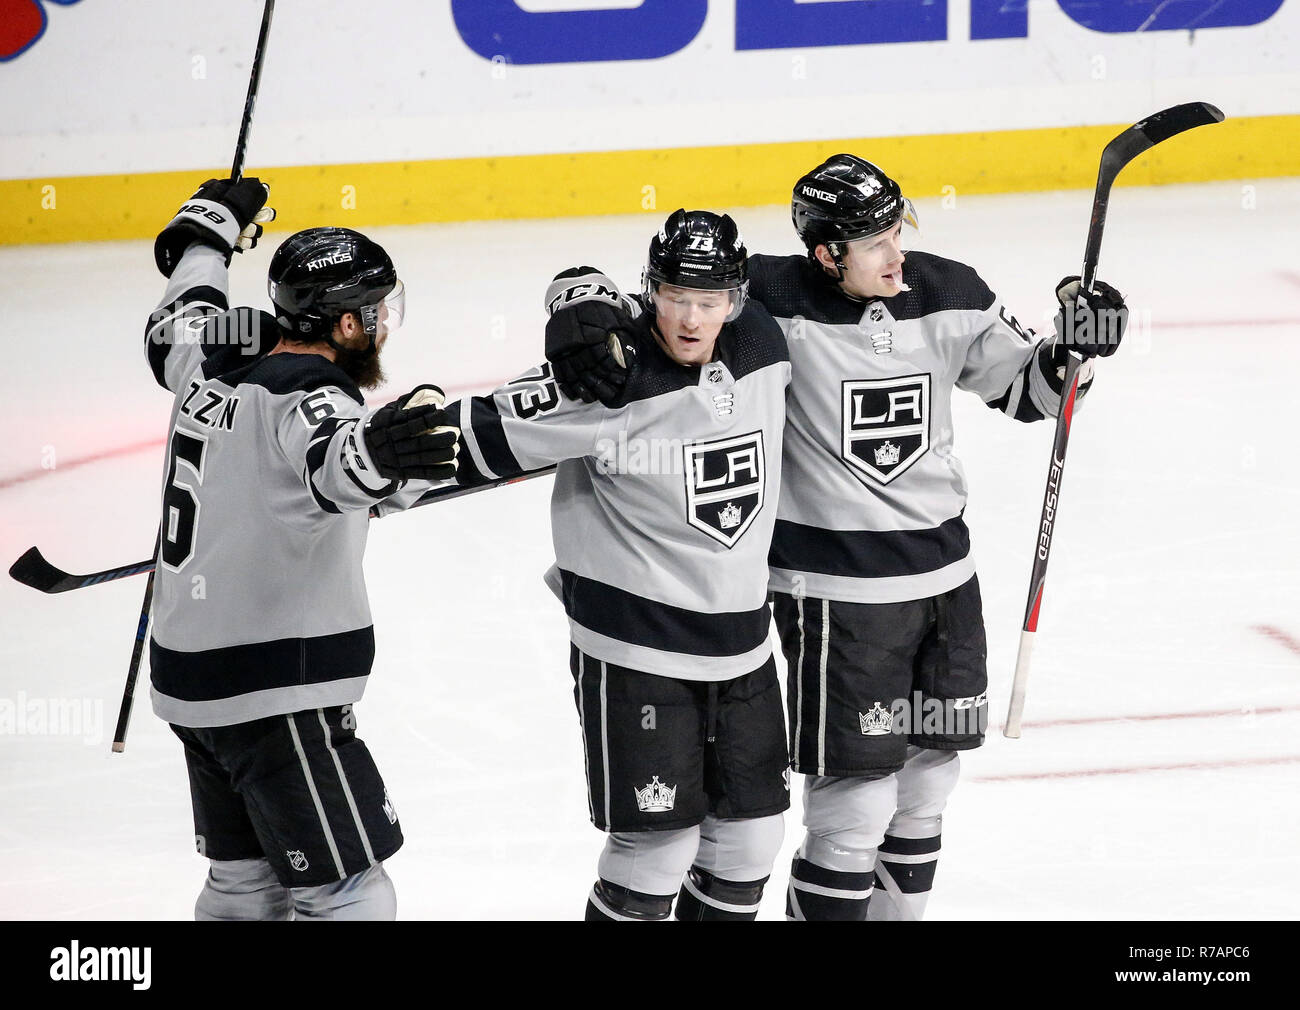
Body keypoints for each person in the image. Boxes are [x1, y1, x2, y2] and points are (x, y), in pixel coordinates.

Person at [548, 157, 1127, 921]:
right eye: (873, 243)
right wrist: (575, 298)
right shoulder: (768, 305)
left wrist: (1074, 350)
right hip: (834, 598)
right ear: (825, 254)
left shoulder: (950, 290)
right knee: (854, 810)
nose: (897, 254)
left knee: (926, 787)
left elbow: (1030, 391)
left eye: (897, 232)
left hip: (946, 584)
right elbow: (665, 299)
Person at [388, 210, 792, 920]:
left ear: (737, 298)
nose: (692, 319)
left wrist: (578, 288)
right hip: (640, 653)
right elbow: (477, 439)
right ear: (651, 291)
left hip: (745, 650)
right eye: (674, 298)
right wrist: (361, 479)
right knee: (654, 854)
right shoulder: (609, 374)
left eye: (709, 302)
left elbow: (838, 273)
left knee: (749, 848)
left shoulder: (763, 339)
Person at [145, 177, 460, 920]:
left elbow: (176, 320)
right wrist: (386, 460)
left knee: (243, 885)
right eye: (379, 311)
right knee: (347, 889)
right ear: (348, 325)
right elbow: (339, 460)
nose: (386, 324)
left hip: (192, 679)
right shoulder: (314, 393)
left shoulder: (208, 363)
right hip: (273, 689)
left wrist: (206, 233)